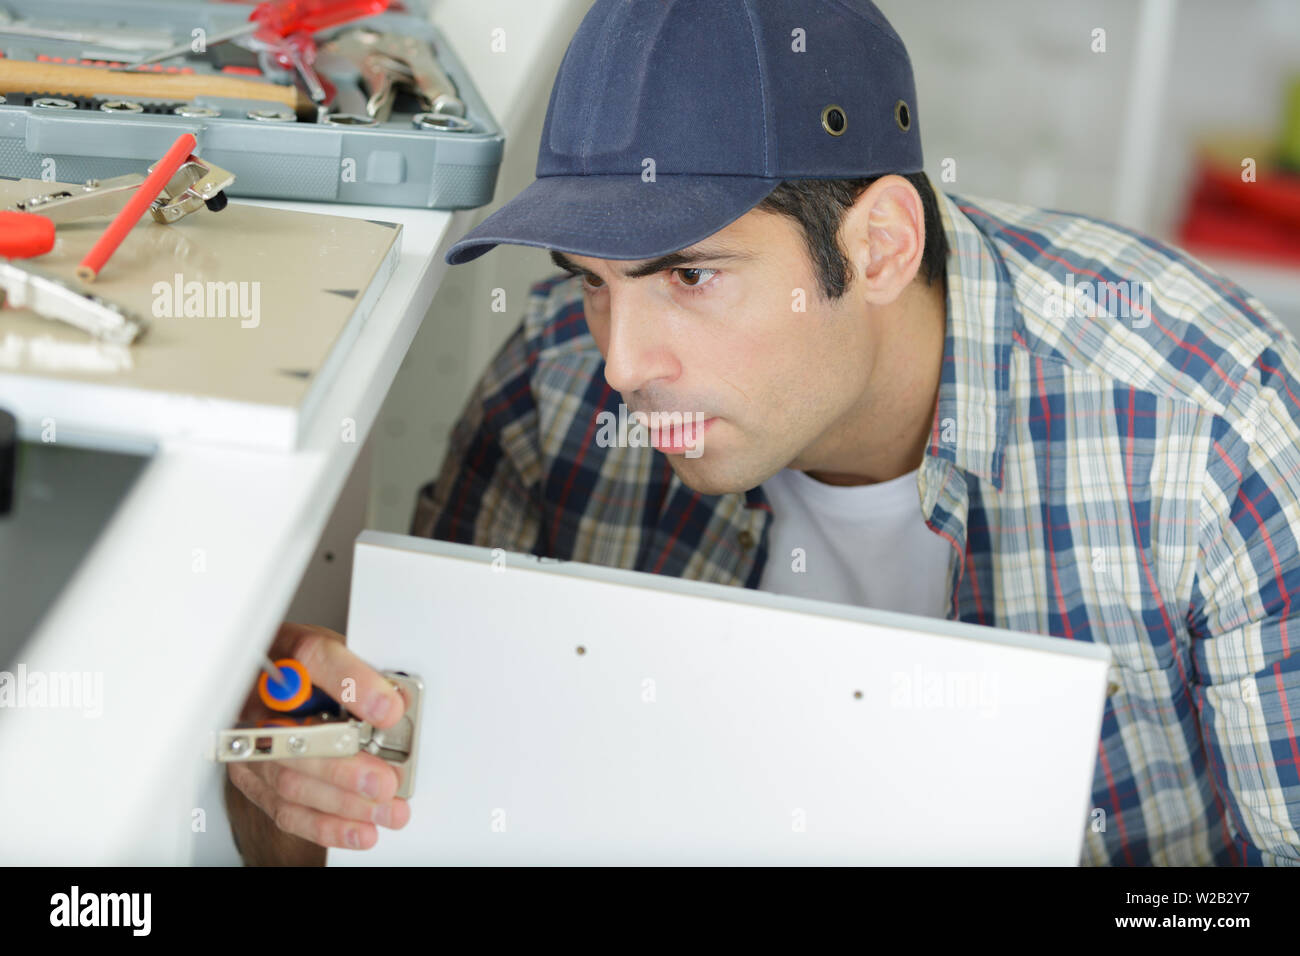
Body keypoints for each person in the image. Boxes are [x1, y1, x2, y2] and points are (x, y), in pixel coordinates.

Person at [229, 0, 1300, 865]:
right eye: (592, 282)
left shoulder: (1210, 436)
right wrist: (301, 783)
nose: (623, 362)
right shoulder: (554, 393)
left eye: (690, 275)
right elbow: (391, 815)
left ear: (878, 246)